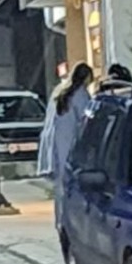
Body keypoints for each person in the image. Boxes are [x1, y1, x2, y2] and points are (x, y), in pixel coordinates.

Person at [37, 63, 95, 225]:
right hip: (70, 146)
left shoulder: (60, 93)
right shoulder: (81, 95)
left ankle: (60, 222)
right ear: (86, 77)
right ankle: (70, 223)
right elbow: (87, 122)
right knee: (72, 188)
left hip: (56, 146)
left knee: (60, 189)